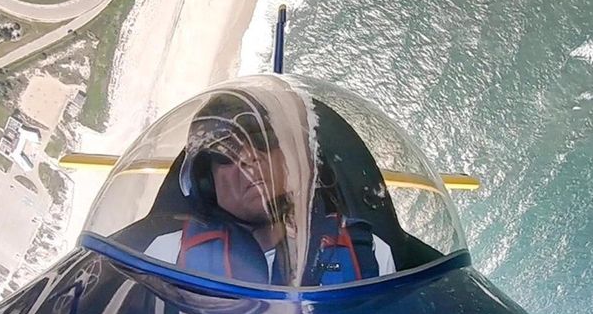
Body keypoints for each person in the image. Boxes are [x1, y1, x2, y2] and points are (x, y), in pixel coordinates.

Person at [116, 90, 396, 286]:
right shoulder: (163, 259)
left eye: (263, 141)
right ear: (207, 184)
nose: (249, 159)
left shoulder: (369, 255)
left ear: (295, 161)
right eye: (226, 154)